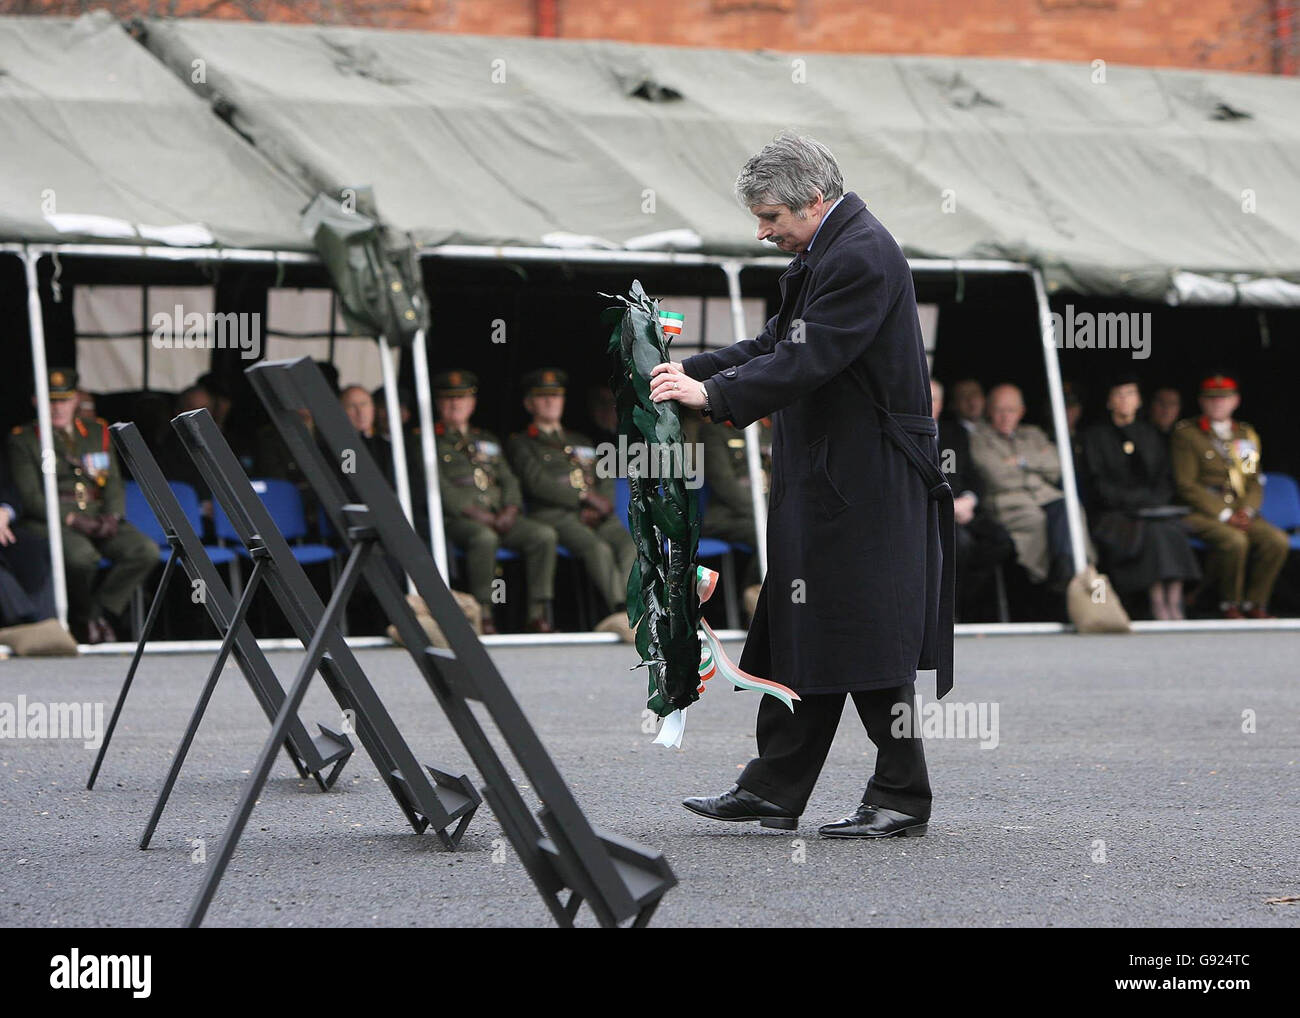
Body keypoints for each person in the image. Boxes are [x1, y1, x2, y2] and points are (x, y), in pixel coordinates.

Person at [650, 131, 950, 840]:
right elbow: (774, 345)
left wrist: (712, 395)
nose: (763, 232)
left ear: (814, 202)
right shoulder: (834, 248)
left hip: (867, 482)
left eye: (772, 218)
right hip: (834, 477)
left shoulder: (862, 255)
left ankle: (901, 796)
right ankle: (775, 788)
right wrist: (691, 375)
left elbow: (807, 358)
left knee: (866, 639)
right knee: (809, 628)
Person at [7, 368, 157, 643]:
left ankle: (97, 614)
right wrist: (72, 520)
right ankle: (83, 617)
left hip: (98, 516)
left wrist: (112, 516)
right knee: (81, 558)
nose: (57, 408)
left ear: (76, 399)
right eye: (50, 400)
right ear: (35, 401)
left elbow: (113, 482)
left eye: (63, 400)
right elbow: (30, 497)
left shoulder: (97, 432)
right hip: (53, 520)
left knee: (144, 551)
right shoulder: (24, 439)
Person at [507, 368, 635, 641]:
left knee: (628, 543)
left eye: (556, 396)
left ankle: (634, 608)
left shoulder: (580, 440)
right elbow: (536, 483)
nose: (551, 402)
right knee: (596, 548)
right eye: (542, 397)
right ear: (529, 404)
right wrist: (582, 499)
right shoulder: (521, 443)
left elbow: (603, 476)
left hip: (595, 514)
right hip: (555, 514)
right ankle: (621, 608)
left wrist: (601, 505)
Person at [434, 369, 558, 634]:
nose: (455, 405)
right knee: (484, 538)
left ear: (472, 403)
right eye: (449, 399)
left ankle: (537, 613)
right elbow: (439, 487)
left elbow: (509, 480)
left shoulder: (486, 440)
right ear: (439, 404)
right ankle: (484, 613)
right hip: (460, 520)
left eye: (461, 399)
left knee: (543, 535)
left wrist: (511, 510)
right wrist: (478, 515)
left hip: (499, 516)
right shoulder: (429, 441)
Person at [1079, 375, 1200, 619]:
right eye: (1119, 395)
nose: (1125, 401)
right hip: (1114, 513)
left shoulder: (1151, 434)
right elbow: (1097, 483)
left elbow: (1166, 478)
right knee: (1153, 531)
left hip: (1154, 510)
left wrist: (1152, 502)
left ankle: (1174, 596)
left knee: (1171, 527)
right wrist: (1135, 501)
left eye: (1130, 394)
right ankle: (1157, 598)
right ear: (1109, 401)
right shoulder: (1095, 437)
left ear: (1139, 400)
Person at [1170, 374, 1288, 619]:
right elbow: (1186, 485)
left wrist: (1246, 511)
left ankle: (1256, 603)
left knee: (1276, 540)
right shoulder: (1188, 435)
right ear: (1202, 402)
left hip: (1239, 510)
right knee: (1235, 541)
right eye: (1211, 399)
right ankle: (1229, 604)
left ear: (1235, 401)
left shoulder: (1243, 435)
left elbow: (1252, 480)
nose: (1218, 404)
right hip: (1202, 512)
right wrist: (1224, 514)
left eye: (1224, 399)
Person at [969, 383, 1092, 591]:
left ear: (1022, 412)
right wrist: (1036, 468)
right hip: (1008, 504)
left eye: (1011, 410)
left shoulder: (1033, 434)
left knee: (1070, 509)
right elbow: (997, 476)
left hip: (1045, 497)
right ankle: (1044, 580)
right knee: (1036, 520)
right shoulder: (978, 437)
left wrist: (1021, 461)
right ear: (989, 411)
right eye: (1000, 410)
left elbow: (1057, 465)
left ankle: (1069, 573)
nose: (1005, 416)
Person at [933, 380, 1015, 620]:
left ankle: (970, 604)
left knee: (1001, 541)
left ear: (941, 404)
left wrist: (969, 500)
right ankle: (950, 613)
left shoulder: (953, 433)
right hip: (930, 513)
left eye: (934, 399)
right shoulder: (906, 434)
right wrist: (946, 504)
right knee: (960, 544)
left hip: (962, 512)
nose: (928, 403)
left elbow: (972, 476)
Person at [697, 415, 769, 616]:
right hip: (728, 516)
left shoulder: (768, 428)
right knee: (770, 532)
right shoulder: (715, 430)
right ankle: (753, 597)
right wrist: (763, 513)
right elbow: (723, 483)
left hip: (763, 512)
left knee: (788, 531)